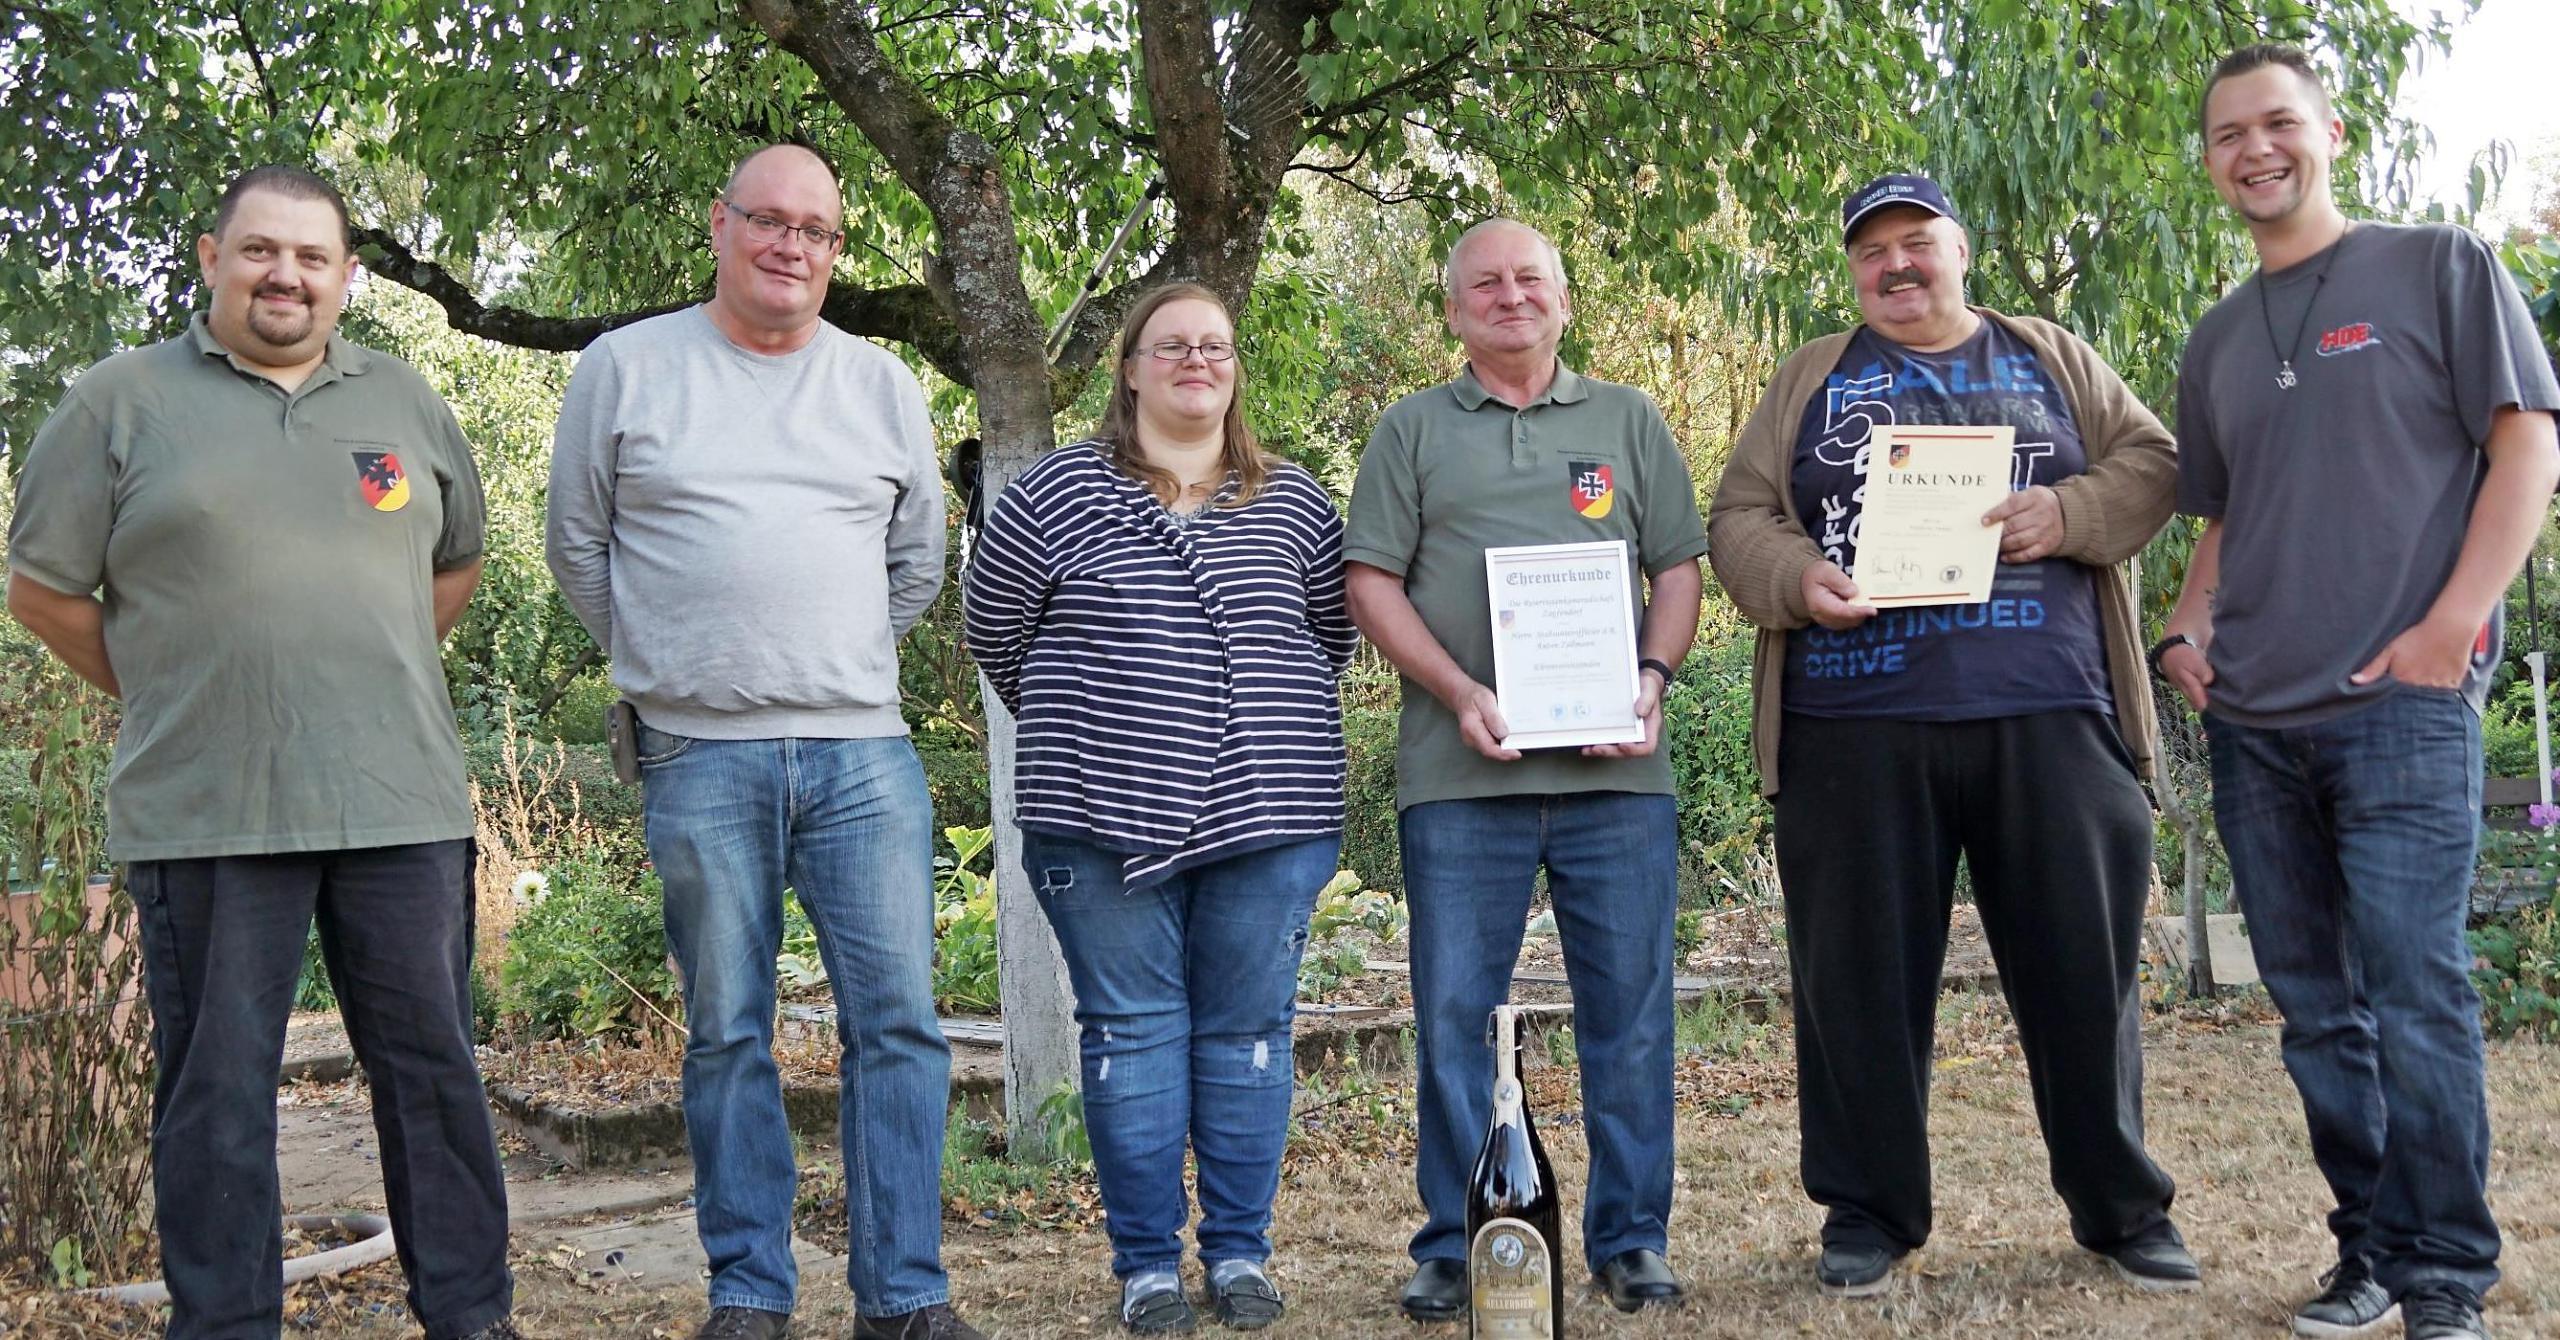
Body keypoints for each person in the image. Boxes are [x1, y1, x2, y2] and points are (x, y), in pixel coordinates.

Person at [7, 165, 522, 1340]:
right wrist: (187, 687)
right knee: (219, 1097)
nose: (285, 274)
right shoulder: (117, 403)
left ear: (347, 276)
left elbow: (452, 568)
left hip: (401, 804)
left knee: (435, 1080)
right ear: (210, 258)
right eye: (259, 250)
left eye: (311, 255)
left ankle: (471, 1315)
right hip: (210, 812)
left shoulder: (404, 401)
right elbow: (43, 593)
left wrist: (356, 674)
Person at [1707, 173, 2196, 1299]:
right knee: (1856, 985)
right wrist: (1796, 576)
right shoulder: (1811, 377)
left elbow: (2157, 463)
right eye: (1871, 251)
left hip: (2052, 716)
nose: (1895, 265)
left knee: (2084, 970)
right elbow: (1736, 516)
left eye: (1916, 242)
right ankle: (1868, 1209)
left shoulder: (2050, 355)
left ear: (1958, 250)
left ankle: (2121, 1205)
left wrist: (2067, 512)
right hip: (1851, 726)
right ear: (1851, 271)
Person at [545, 143, 981, 1340]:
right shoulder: (624, 369)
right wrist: (685, 662)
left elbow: (915, 567)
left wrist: (816, 668)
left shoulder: (882, 385)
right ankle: (748, 1288)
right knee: (727, 1027)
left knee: (896, 1024)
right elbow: (579, 552)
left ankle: (903, 1294)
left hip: (861, 755)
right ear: (719, 223)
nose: (793, 246)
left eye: (819, 231)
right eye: (769, 221)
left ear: (836, 251)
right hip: (696, 754)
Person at [2159, 45, 2560, 1340]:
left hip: (2399, 704)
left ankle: (2446, 1279)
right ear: (2212, 159)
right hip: (2255, 728)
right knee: (2319, 1014)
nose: (2255, 149)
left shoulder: (2439, 265)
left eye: (2278, 123)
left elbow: (2527, 442)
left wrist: (2455, 625)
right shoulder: (2216, 339)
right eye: (2229, 134)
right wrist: (2184, 622)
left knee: (2414, 986)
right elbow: (2230, 517)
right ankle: (2370, 1249)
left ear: (2330, 129)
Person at [963, 282, 1358, 1333]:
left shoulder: (1298, 501)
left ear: (1235, 369)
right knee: (1129, 1032)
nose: (1196, 360)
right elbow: (995, 631)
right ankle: (1145, 1264)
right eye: (1171, 344)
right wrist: (1110, 721)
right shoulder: (1051, 495)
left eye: (1216, 346)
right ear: (1128, 367)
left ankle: (1238, 1254)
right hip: (1093, 808)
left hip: (1268, 808)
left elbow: (1328, 637)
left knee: (1247, 1033)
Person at [1343, 218, 1706, 1320]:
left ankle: (1630, 1238)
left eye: (1530, 279)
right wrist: (1461, 694)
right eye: (1484, 284)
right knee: (1455, 1014)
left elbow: (1679, 567)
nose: (1510, 297)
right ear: (1452, 309)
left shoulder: (1626, 419)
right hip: (1460, 779)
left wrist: (1648, 675)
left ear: (1563, 297)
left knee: (1631, 1013)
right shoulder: (1409, 430)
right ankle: (1461, 1244)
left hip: (1615, 777)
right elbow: (1371, 584)